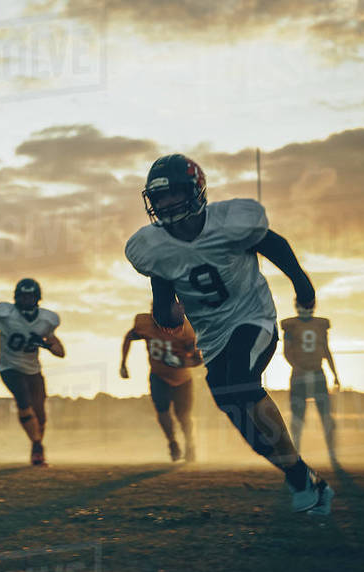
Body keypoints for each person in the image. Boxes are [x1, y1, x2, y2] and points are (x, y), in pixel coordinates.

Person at [125, 154, 334, 515]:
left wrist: (302, 283)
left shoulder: (229, 222)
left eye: (173, 194)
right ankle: (300, 476)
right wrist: (167, 316)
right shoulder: (153, 248)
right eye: (158, 198)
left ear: (195, 190)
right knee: (233, 407)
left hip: (254, 319)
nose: (165, 204)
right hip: (213, 337)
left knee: (241, 383)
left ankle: (300, 478)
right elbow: (163, 302)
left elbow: (273, 245)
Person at [0, 278, 64, 466]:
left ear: (37, 298)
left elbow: (61, 352)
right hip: (9, 367)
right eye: (23, 296)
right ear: (17, 297)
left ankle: (37, 444)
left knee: (40, 414)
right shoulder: (6, 315)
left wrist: (46, 344)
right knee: (23, 400)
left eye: (30, 296)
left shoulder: (46, 321)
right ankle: (36, 446)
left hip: (33, 370)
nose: (27, 300)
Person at [119, 301, 202, 462]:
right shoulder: (145, 324)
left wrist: (182, 363)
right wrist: (123, 363)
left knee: (184, 416)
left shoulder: (187, 330)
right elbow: (129, 337)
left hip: (182, 378)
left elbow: (198, 359)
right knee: (162, 411)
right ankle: (172, 442)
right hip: (158, 375)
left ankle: (190, 444)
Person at [280, 302, 340, 468]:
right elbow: (287, 351)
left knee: (324, 415)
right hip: (307, 373)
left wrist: (334, 373)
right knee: (299, 416)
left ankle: (331, 452)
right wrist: (334, 374)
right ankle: (296, 452)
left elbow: (326, 349)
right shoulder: (295, 326)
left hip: (312, 372)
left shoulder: (317, 325)